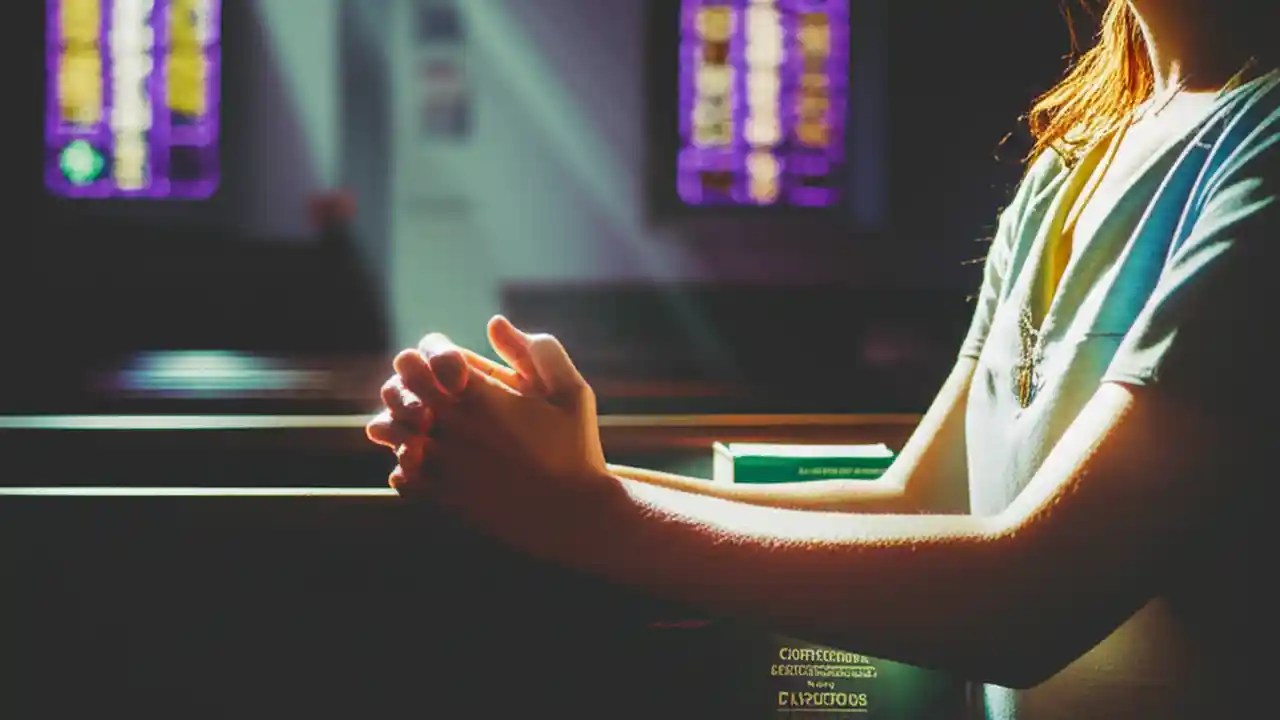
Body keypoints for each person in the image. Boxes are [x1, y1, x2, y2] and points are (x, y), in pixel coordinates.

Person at [367, 1, 1277, 717]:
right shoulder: (1073, 160)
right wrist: (565, 475)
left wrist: (582, 513)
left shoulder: (1260, 148)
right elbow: (919, 502)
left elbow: (1034, 595)